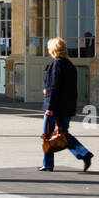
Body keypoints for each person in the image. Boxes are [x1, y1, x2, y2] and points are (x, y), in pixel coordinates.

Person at [40, 36, 92, 172]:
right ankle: (83, 153)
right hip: (66, 106)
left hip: (55, 106)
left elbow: (53, 87)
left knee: (48, 135)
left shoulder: (55, 63)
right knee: (62, 134)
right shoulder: (69, 65)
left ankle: (48, 164)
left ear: (53, 49)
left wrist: (50, 108)